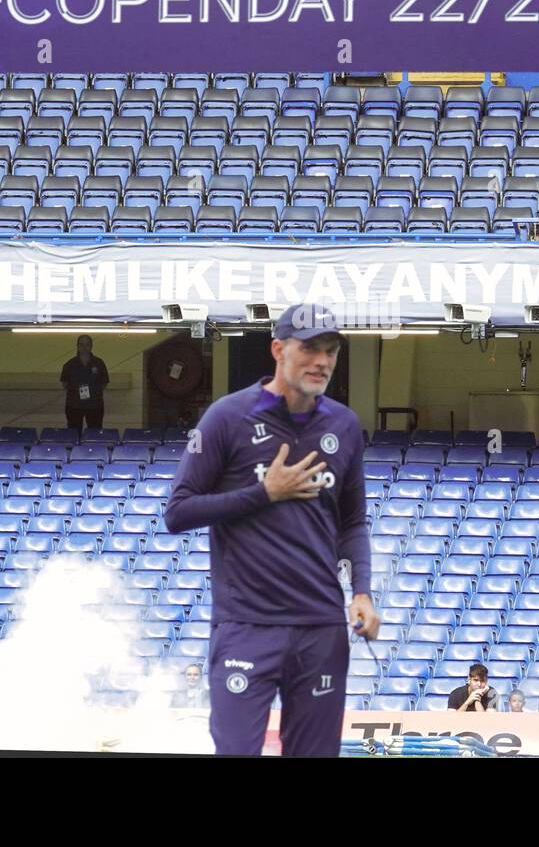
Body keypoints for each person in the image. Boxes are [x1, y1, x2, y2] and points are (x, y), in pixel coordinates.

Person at [163, 303, 379, 757]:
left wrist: (361, 592)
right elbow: (178, 512)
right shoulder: (228, 417)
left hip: (321, 628)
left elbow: (353, 520)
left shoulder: (344, 424)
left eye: (331, 351)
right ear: (278, 350)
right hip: (247, 625)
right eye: (310, 349)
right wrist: (264, 493)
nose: (322, 361)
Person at [59, 335, 109, 431]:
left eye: (87, 345)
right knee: (74, 433)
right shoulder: (69, 364)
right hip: (74, 405)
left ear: (91, 346)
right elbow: (65, 384)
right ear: (77, 346)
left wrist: (93, 392)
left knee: (94, 433)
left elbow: (104, 383)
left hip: (94, 405)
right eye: (81, 345)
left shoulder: (99, 363)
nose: (84, 348)